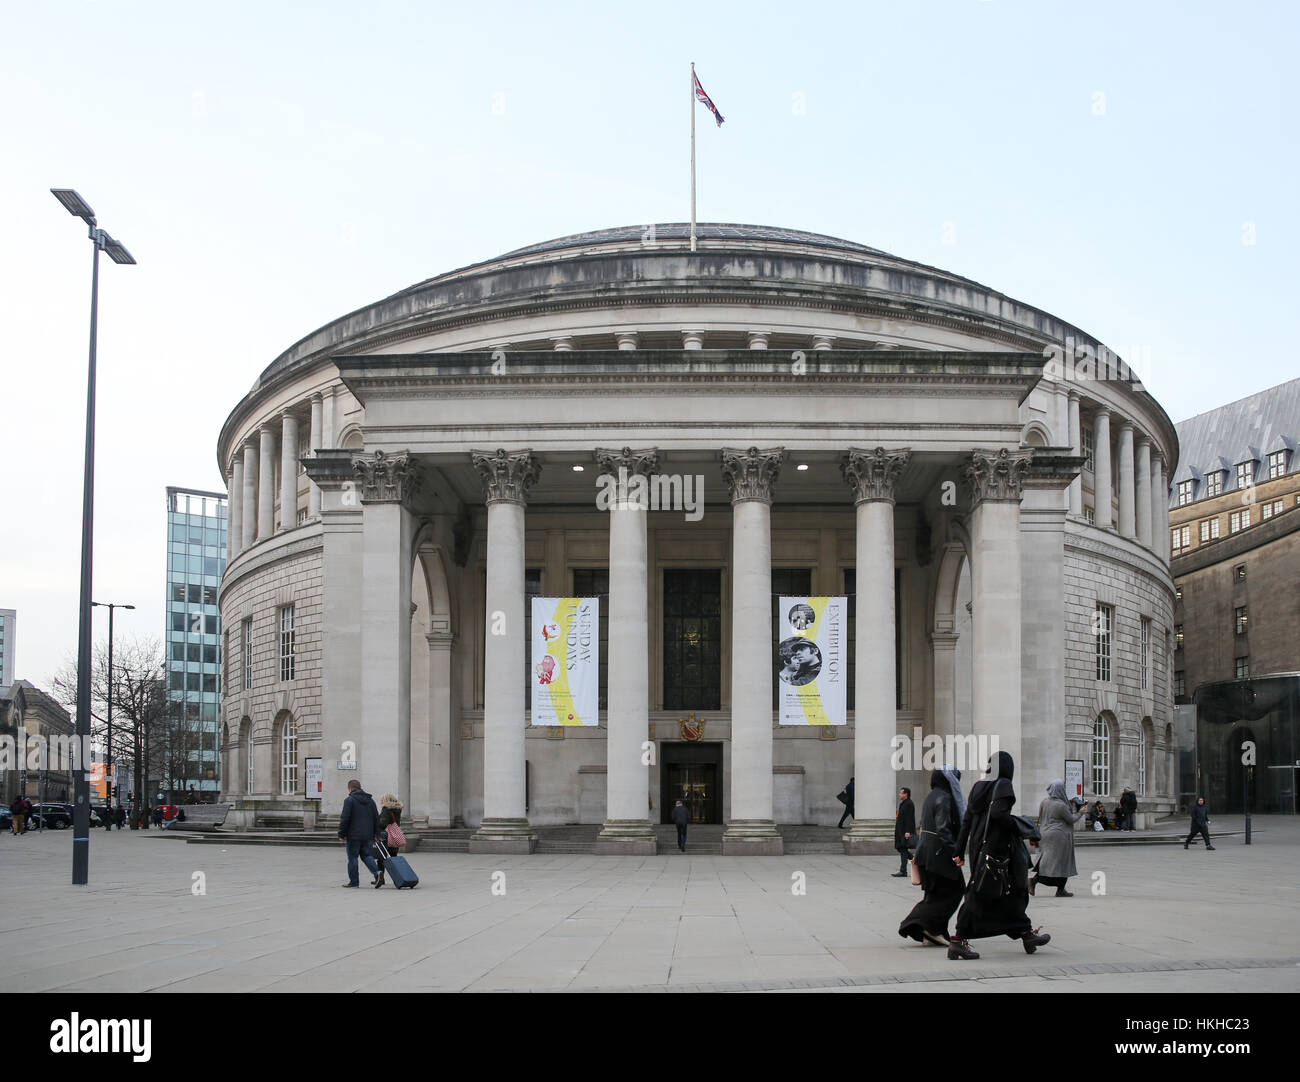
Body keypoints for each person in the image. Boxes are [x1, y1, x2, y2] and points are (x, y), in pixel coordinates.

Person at [950, 751, 1050, 959]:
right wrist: (1024, 827)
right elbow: (999, 816)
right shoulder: (1003, 784)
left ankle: (1025, 933)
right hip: (998, 848)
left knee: (1005, 892)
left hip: (979, 846)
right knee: (983, 893)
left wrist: (959, 850)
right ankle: (958, 941)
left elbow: (967, 820)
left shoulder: (978, 786)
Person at [899, 767, 970, 953]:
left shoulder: (932, 795)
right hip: (939, 853)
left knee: (935, 892)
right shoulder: (945, 797)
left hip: (927, 851)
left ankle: (934, 933)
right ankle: (918, 922)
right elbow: (943, 828)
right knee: (955, 890)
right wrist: (956, 852)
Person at [1031, 779, 1083, 897]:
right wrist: (1081, 812)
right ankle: (1036, 880)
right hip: (1059, 836)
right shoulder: (1060, 805)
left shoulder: (1045, 802)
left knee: (1048, 863)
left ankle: (1060, 888)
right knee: (1063, 862)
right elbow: (1071, 819)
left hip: (1045, 834)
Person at [337, 779, 381, 887]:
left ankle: (354, 882)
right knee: (366, 855)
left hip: (353, 835)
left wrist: (341, 834)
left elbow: (345, 819)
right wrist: (377, 834)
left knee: (353, 857)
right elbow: (376, 818)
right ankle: (378, 873)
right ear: (360, 787)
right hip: (368, 835)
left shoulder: (349, 800)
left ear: (350, 788)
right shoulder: (371, 801)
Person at [375, 793, 404, 887]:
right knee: (394, 858)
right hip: (394, 837)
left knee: (381, 858)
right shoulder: (398, 810)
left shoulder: (386, 810)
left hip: (386, 837)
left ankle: (380, 878)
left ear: (386, 800)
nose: (381, 801)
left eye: (382, 799)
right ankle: (398, 878)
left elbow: (383, 824)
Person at [891, 787, 915, 876]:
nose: (899, 795)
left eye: (901, 793)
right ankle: (914, 859)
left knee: (903, 849)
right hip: (900, 830)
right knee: (899, 847)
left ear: (906, 794)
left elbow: (909, 819)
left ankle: (903, 870)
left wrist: (908, 831)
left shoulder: (909, 804)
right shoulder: (903, 803)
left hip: (905, 831)